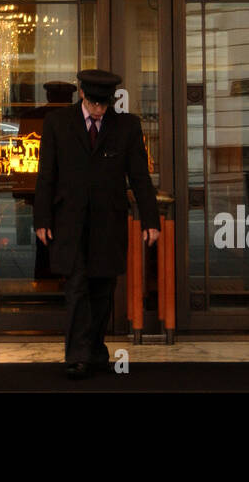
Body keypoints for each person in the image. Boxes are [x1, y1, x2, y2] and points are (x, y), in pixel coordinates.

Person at [34, 69, 159, 379]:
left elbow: (140, 177)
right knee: (76, 287)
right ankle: (76, 357)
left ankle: (95, 351)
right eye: (93, 104)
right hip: (70, 222)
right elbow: (46, 174)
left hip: (108, 222)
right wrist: (42, 218)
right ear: (81, 95)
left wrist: (150, 220)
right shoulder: (57, 124)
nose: (99, 110)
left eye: (104, 105)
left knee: (102, 289)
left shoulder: (127, 126)